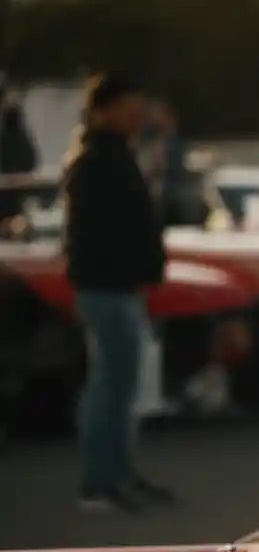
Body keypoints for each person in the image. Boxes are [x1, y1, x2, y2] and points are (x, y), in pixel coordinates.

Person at [61, 73, 173, 512]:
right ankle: (97, 482)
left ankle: (119, 474)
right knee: (109, 383)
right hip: (105, 288)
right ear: (104, 109)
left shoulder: (116, 154)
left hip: (121, 286)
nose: (138, 115)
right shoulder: (93, 160)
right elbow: (100, 233)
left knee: (123, 384)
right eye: (130, 106)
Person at [1, 101, 38, 174]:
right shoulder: (24, 138)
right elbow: (31, 162)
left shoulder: (4, 138)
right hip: (22, 178)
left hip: (8, 178)